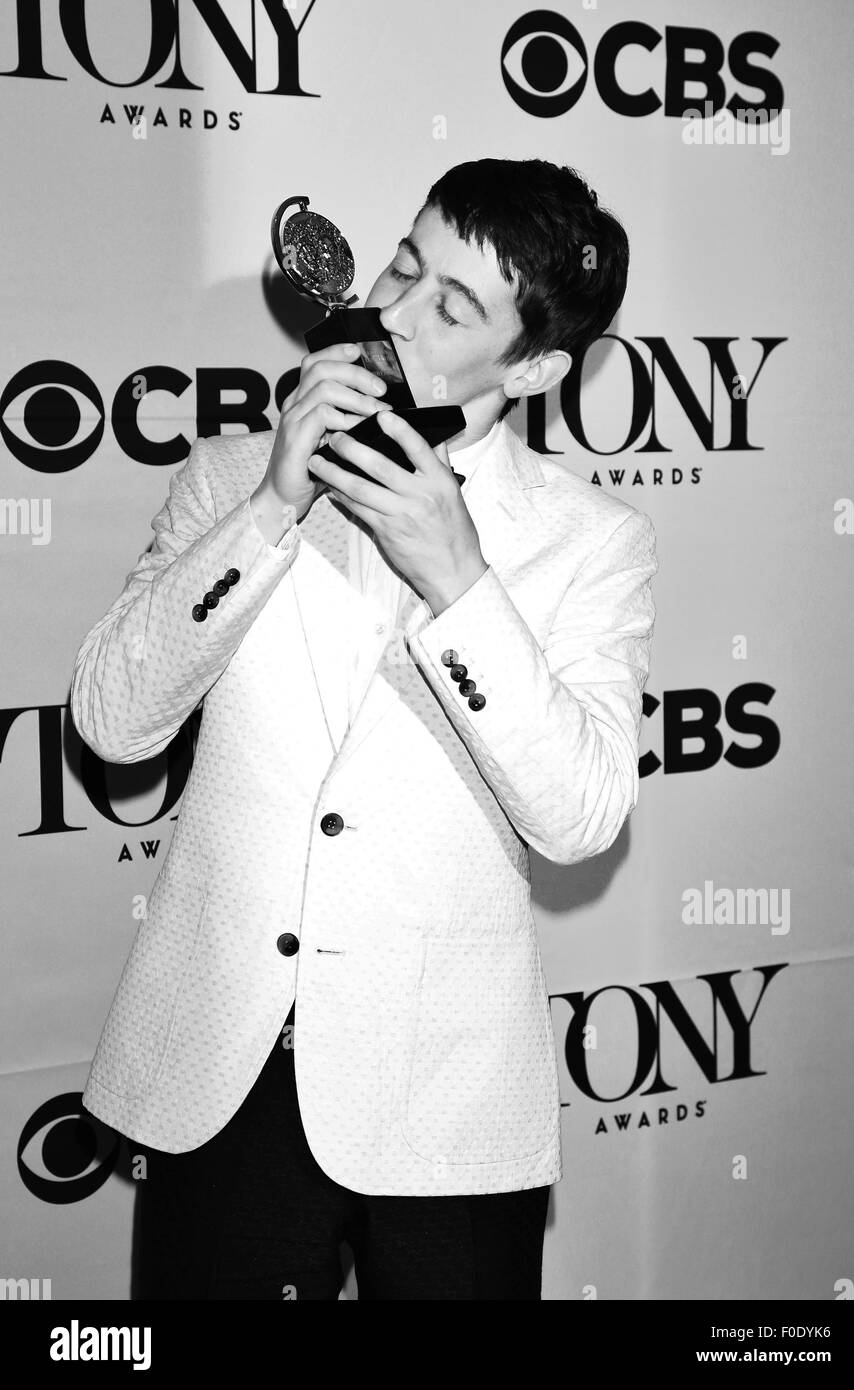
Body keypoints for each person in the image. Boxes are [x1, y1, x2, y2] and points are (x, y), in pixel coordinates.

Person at [70, 157, 658, 1300]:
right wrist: (272, 505)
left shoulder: (590, 538)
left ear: (532, 366)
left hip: (444, 1097)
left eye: (450, 304)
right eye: (404, 263)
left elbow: (583, 818)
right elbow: (112, 721)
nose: (391, 310)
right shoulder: (231, 476)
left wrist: (460, 583)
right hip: (221, 1082)